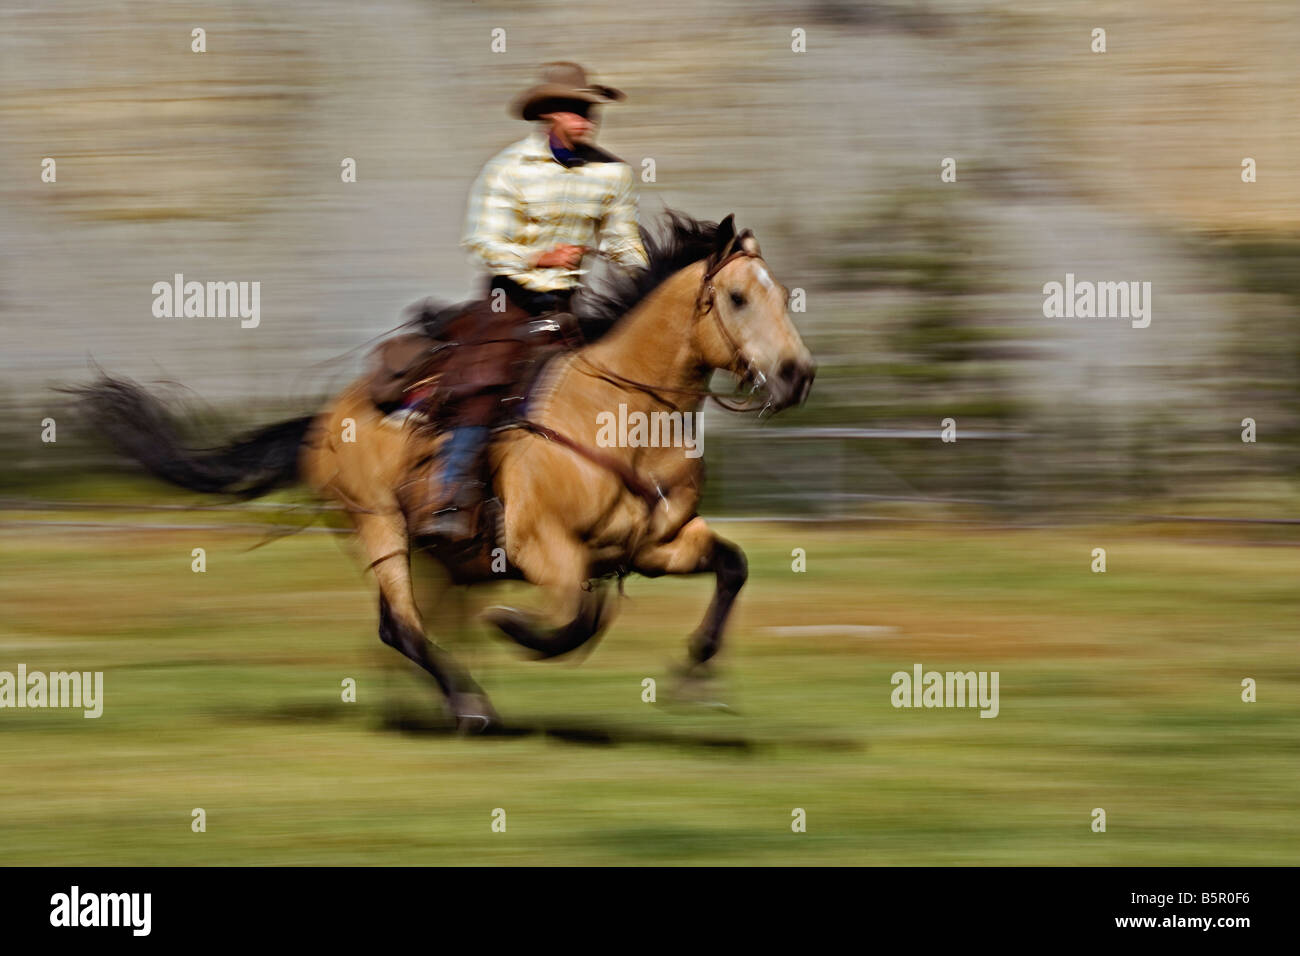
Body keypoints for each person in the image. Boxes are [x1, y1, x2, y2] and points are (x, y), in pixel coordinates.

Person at [411, 62, 649, 539]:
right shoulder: (507, 169)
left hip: (567, 306)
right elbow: (481, 242)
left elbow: (623, 242)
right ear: (549, 115)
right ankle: (450, 495)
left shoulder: (612, 173)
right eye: (576, 109)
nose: (586, 118)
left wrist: (649, 276)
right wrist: (540, 257)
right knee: (486, 383)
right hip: (508, 302)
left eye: (589, 110)